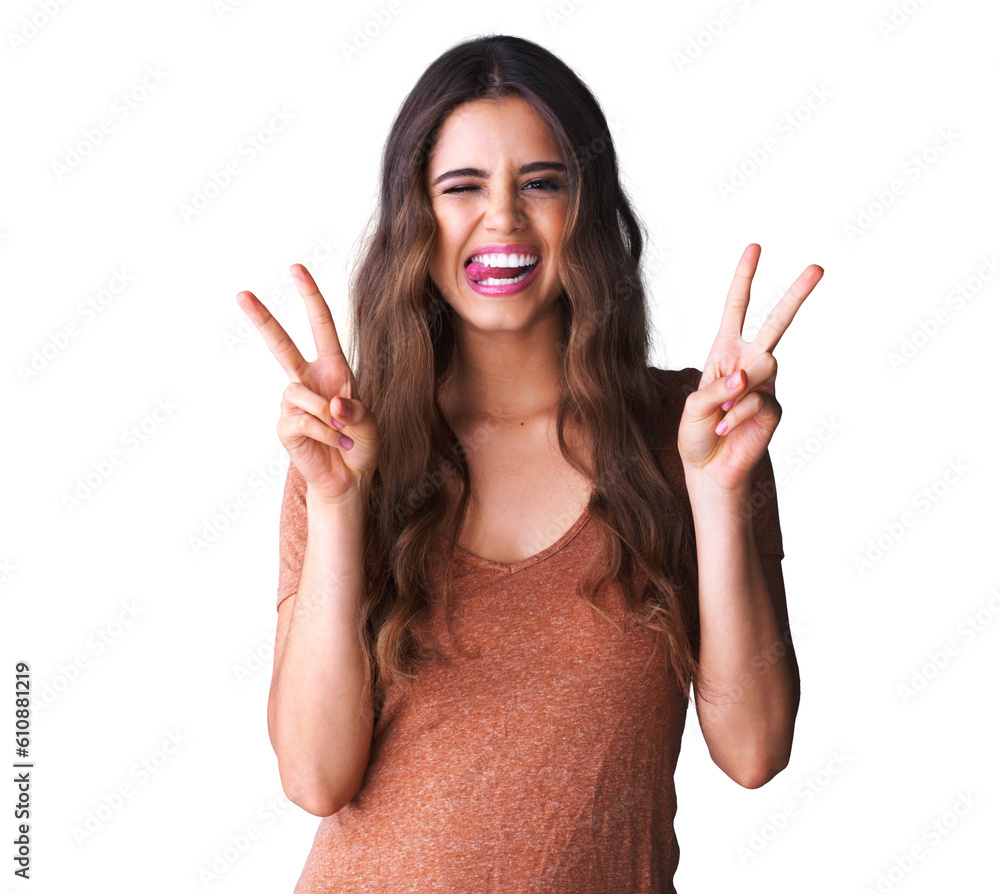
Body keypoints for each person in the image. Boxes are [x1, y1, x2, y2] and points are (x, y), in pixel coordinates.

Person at [236, 33, 822, 894]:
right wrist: (335, 506)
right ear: (416, 218)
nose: (503, 217)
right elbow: (314, 779)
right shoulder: (350, 447)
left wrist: (716, 495)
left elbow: (756, 750)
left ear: (587, 210)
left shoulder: (693, 433)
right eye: (461, 186)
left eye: (541, 183)